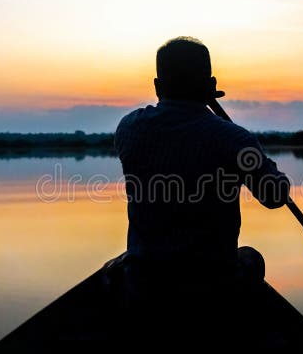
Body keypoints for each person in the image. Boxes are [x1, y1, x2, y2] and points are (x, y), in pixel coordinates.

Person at [111, 36, 291, 289]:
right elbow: (273, 196)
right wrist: (259, 159)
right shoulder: (234, 138)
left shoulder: (129, 128)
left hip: (144, 279)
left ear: (157, 86)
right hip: (212, 282)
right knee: (252, 257)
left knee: (119, 265)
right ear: (211, 84)